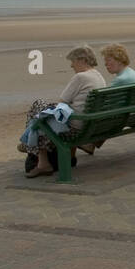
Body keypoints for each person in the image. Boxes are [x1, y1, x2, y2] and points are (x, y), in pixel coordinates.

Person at [19, 45, 107, 178]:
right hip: (89, 126)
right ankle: (30, 144)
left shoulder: (81, 77)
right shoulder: (98, 75)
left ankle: (31, 146)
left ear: (81, 60)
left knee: (38, 107)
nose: (71, 65)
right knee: (41, 112)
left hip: (75, 127)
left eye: (72, 61)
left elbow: (62, 102)